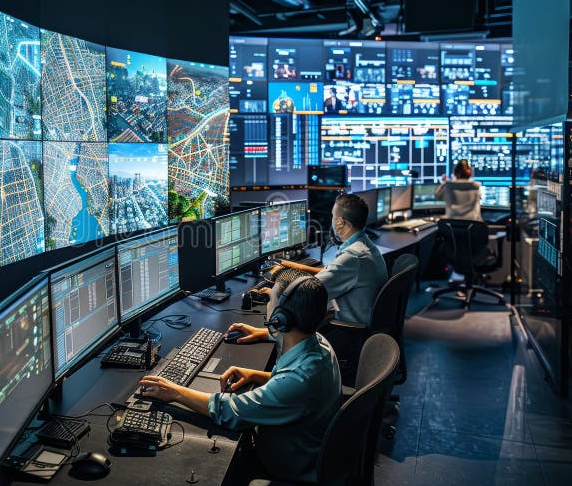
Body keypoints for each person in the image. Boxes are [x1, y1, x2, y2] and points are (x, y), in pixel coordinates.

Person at [139, 276, 342, 483]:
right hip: (309, 445)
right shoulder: (319, 343)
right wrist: (255, 373)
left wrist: (176, 392)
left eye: (271, 301)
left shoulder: (299, 381)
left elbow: (230, 410)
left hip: (289, 465)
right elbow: (291, 382)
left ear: (280, 319)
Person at [227, 193, 388, 345]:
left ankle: (272, 338)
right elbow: (330, 272)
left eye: (333, 216)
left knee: (296, 320)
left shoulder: (353, 257)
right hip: (362, 323)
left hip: (348, 333)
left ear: (341, 223)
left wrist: (279, 293)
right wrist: (291, 266)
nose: (331, 220)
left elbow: (308, 294)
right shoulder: (364, 246)